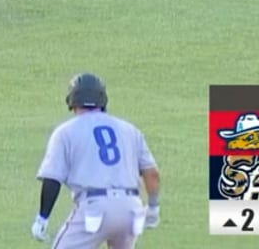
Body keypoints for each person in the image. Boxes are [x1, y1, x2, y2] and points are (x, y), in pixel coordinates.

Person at [30, 74, 162, 246]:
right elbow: (151, 174)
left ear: (72, 100)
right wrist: (153, 208)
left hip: (94, 208)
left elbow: (52, 179)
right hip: (130, 209)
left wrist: (42, 218)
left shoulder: (65, 132)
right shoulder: (130, 130)